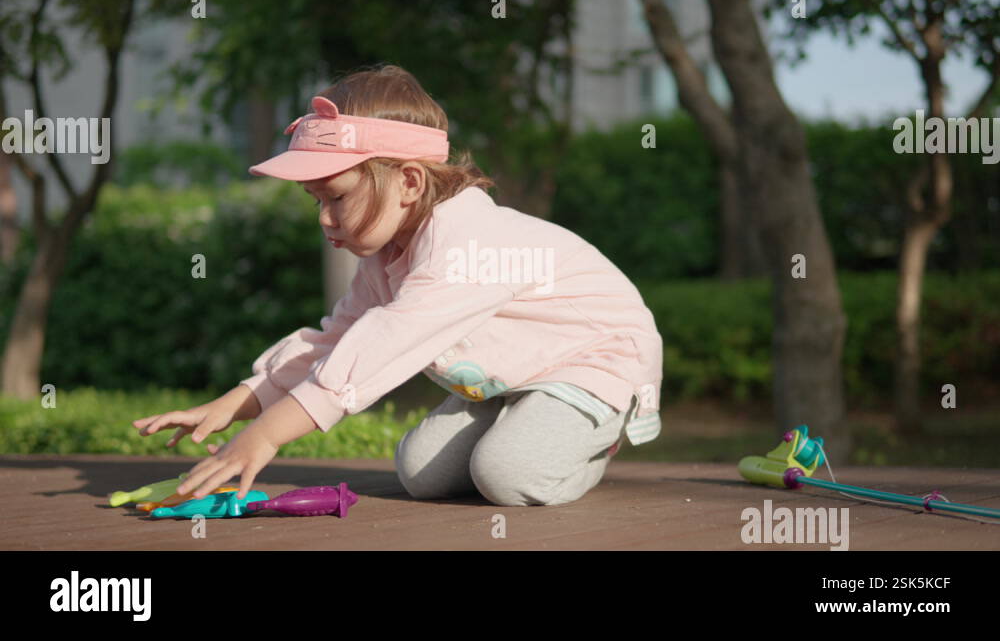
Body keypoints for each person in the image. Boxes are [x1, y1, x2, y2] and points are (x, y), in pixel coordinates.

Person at [131, 64, 663, 507]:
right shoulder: (388, 255)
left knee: (508, 475)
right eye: (316, 201)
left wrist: (266, 435)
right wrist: (241, 400)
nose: (324, 219)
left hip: (596, 361)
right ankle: (526, 422)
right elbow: (334, 339)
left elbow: (382, 341)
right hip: (519, 376)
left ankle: (595, 439)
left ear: (409, 181)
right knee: (420, 473)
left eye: (336, 197)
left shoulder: (466, 246)